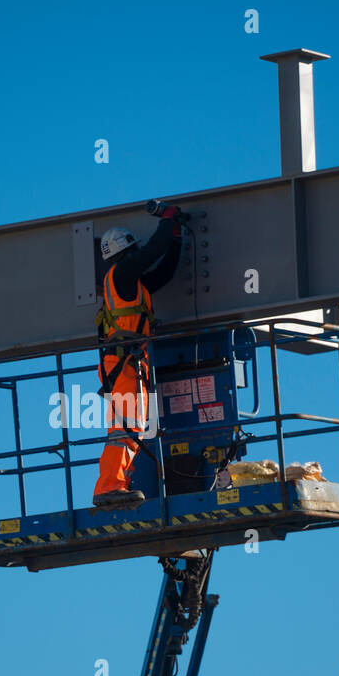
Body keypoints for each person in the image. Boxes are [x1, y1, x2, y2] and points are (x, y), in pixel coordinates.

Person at [93, 204, 184, 505]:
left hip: (126, 362)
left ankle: (115, 484)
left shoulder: (130, 284)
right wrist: (168, 218)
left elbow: (165, 272)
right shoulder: (121, 273)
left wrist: (176, 235)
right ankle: (109, 487)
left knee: (130, 427)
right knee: (125, 427)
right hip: (123, 362)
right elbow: (153, 251)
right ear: (126, 251)